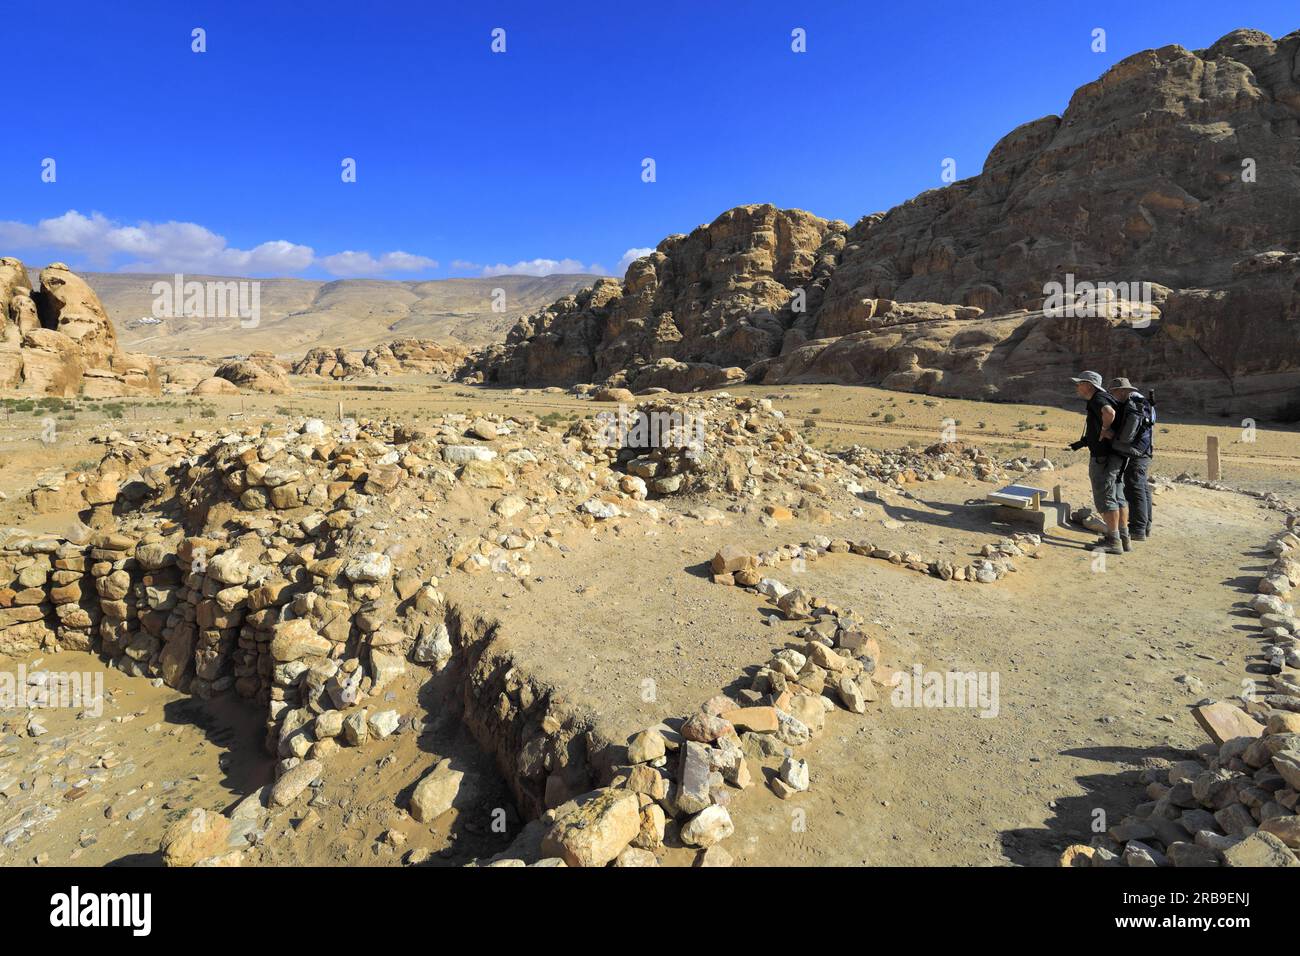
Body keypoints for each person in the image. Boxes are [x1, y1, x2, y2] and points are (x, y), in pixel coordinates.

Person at [1067, 371, 1128, 554]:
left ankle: (1113, 541)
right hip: (1115, 455)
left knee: (1106, 497)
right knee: (1118, 497)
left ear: (1089, 385)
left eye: (1080, 384)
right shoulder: (1105, 397)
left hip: (1103, 457)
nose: (1077, 387)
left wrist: (1104, 429)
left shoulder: (1098, 399)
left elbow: (1109, 412)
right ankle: (1124, 537)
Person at [1109, 377, 1154, 540]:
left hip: (1136, 451)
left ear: (1122, 390)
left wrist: (1116, 440)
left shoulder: (1133, 402)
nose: (1113, 396)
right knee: (1141, 487)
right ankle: (1145, 526)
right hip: (1145, 449)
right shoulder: (1142, 400)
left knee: (1134, 487)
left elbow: (1128, 433)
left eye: (1114, 392)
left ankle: (1137, 529)